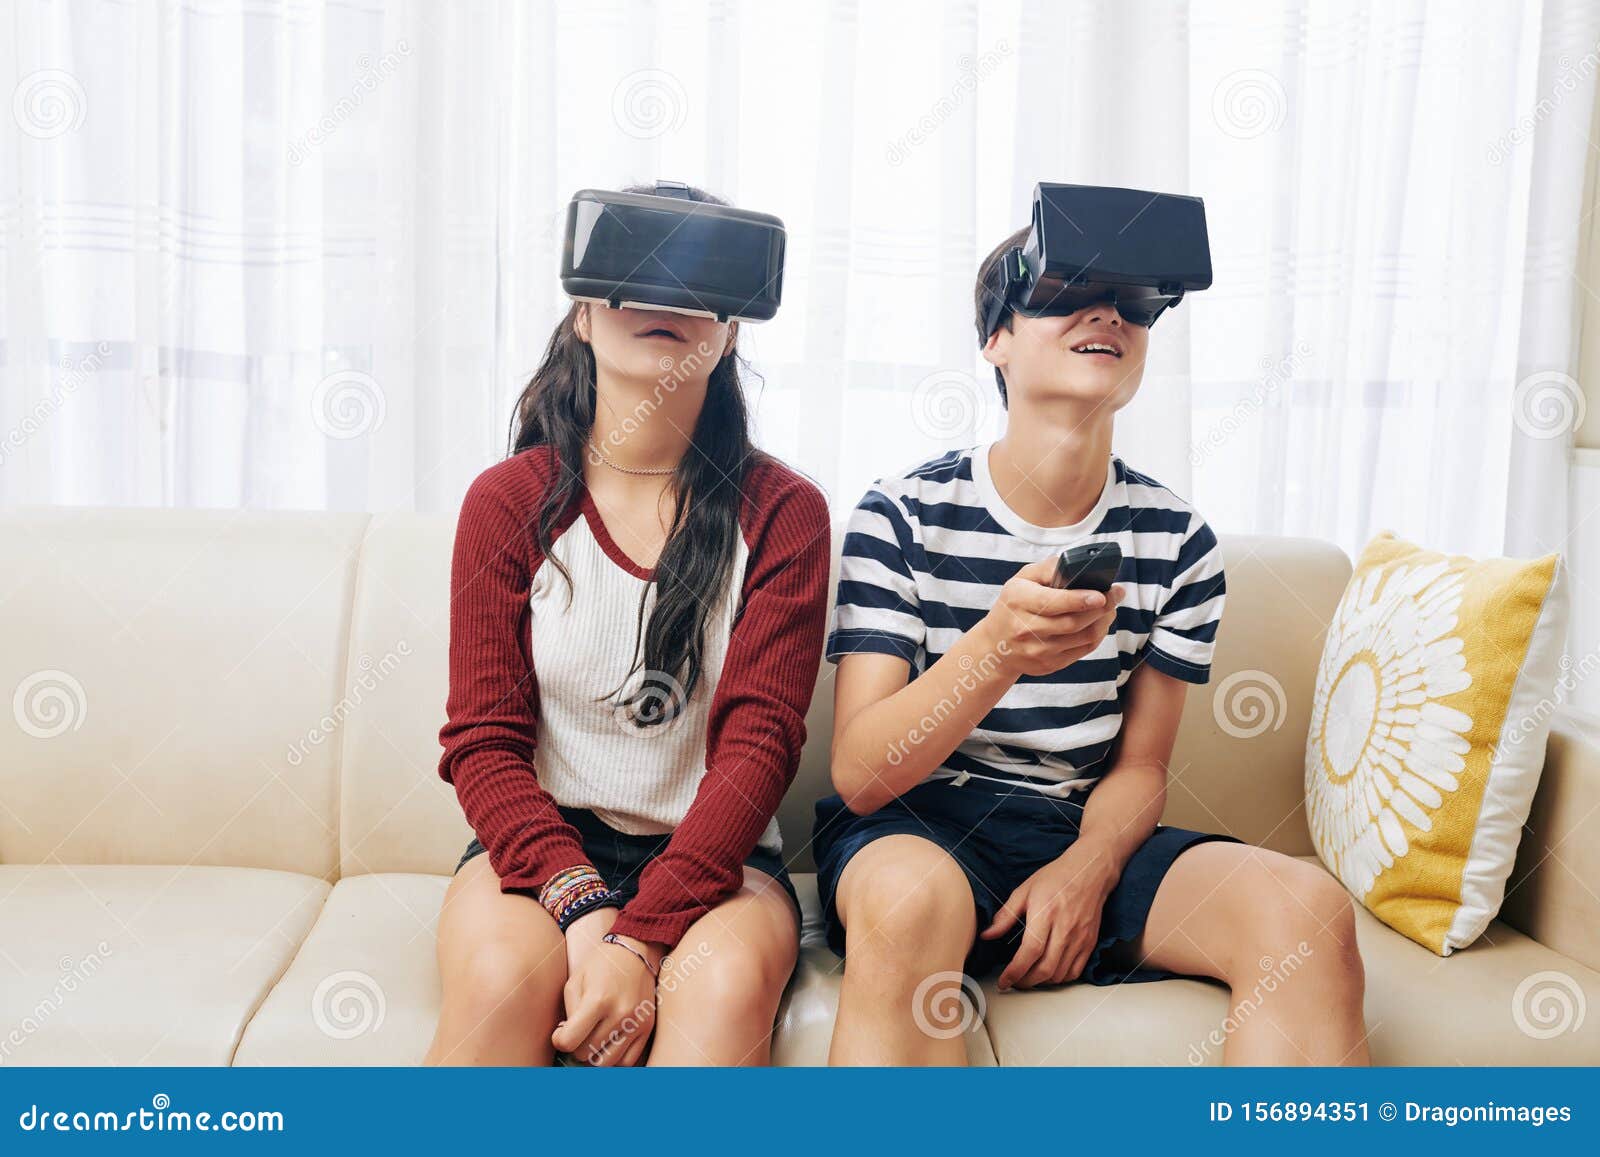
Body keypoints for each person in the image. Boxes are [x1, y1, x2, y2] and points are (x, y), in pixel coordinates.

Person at [813, 225, 1370, 1066]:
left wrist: (1090, 865)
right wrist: (996, 648)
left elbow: (1141, 766)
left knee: (1305, 910)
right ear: (995, 340)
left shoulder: (1178, 539)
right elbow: (860, 773)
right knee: (906, 902)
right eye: (1065, 292)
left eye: (1133, 302)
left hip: (1077, 827)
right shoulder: (901, 515)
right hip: (917, 826)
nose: (1106, 311)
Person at [426, 184, 829, 1067]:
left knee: (718, 993)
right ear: (581, 314)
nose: (670, 301)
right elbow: (484, 742)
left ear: (731, 328)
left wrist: (640, 939)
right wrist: (582, 908)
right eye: (637, 274)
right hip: (542, 850)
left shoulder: (786, 513)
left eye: (700, 285)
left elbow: (759, 747)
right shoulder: (508, 502)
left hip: (719, 863)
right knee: (499, 982)